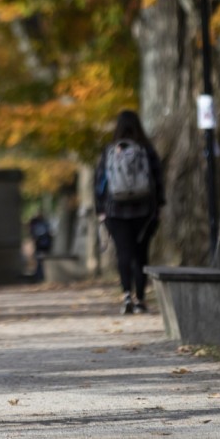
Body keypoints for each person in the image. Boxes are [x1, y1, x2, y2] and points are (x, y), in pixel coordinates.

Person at [94, 109, 164, 314]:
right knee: (141, 254)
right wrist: (158, 205)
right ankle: (140, 298)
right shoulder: (146, 149)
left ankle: (126, 295)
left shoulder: (110, 150)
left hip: (115, 211)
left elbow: (99, 182)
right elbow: (157, 179)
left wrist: (100, 209)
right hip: (144, 211)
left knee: (123, 253)